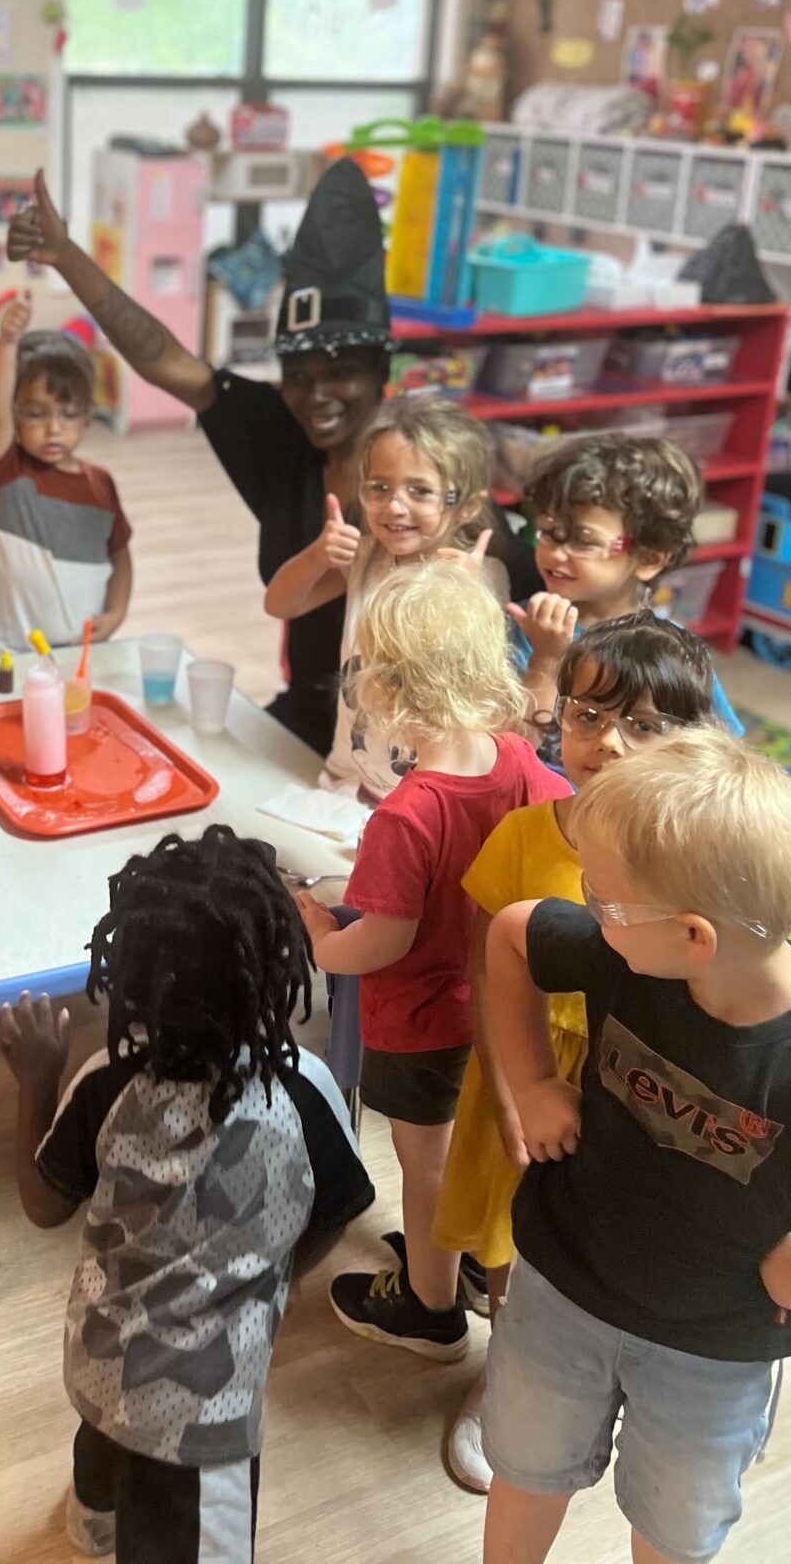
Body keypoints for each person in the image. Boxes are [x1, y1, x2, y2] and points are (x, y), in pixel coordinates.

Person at [480, 727, 791, 1564]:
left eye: (603, 899)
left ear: (694, 936)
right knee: (525, 1469)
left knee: (674, 1531)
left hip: (711, 1350)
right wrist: (532, 1083)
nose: (591, 909)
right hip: (563, 1284)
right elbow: (513, 933)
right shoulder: (632, 957)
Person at [0, 827, 374, 1563]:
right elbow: (336, 1210)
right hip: (206, 1411)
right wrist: (281, 1272)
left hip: (102, 1353)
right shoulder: (304, 1091)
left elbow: (43, 1207)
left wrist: (37, 1082)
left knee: (105, 1438)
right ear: (276, 971)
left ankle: (93, 1520)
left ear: (134, 973)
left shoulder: (107, 1078)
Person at [433, 614, 719, 1495]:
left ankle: (593, 1377)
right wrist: (510, 1091)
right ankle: (504, 1376)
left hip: (630, 1085)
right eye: (588, 716)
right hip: (524, 1070)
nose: (609, 743)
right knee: (507, 1234)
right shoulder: (525, 836)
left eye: (643, 724)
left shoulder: (692, 857)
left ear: (691, 738)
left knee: (606, 1236)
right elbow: (487, 966)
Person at [7, 161, 392, 750]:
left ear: (381, 371)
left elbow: (510, 578)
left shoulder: (422, 465)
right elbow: (164, 359)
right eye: (297, 374)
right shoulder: (283, 439)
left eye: (340, 373)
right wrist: (64, 255)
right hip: (309, 718)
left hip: (399, 739)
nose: (316, 395)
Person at [296, 557, 565, 1360]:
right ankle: (470, 1261)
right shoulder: (517, 759)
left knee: (426, 1168)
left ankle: (430, 1305)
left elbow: (384, 939)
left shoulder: (408, 815)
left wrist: (321, 938)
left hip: (417, 1023)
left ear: (384, 686)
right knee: (472, 1145)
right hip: (502, 1014)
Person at [265, 393, 501, 802]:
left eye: (420, 491)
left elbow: (481, 702)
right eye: (379, 487)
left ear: (466, 506)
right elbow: (279, 604)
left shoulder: (479, 577)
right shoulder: (367, 559)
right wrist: (318, 555)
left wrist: (463, 597)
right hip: (348, 776)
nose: (394, 506)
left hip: (423, 797)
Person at [510, 432, 743, 743]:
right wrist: (547, 659)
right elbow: (511, 750)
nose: (556, 553)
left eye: (583, 540)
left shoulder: (673, 651)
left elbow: (723, 748)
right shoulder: (524, 627)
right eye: (550, 531)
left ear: (649, 558)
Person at [0, 293, 132, 650]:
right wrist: (7, 342)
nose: (54, 429)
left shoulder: (101, 484)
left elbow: (120, 555)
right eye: (36, 414)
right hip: (5, 651)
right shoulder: (7, 470)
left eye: (68, 414)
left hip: (80, 654)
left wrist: (117, 612)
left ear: (88, 415)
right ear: (15, 415)